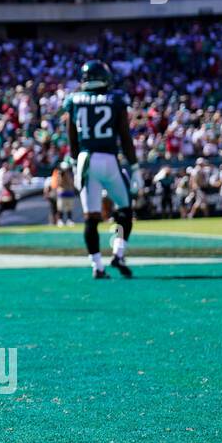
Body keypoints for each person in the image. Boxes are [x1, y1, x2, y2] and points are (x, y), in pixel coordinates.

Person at [62, 60, 137, 279]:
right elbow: (124, 136)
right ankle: (119, 252)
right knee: (124, 210)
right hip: (109, 158)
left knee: (91, 217)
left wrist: (76, 162)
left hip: (85, 159)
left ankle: (97, 265)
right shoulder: (115, 99)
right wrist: (135, 166)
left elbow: (72, 137)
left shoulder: (74, 100)